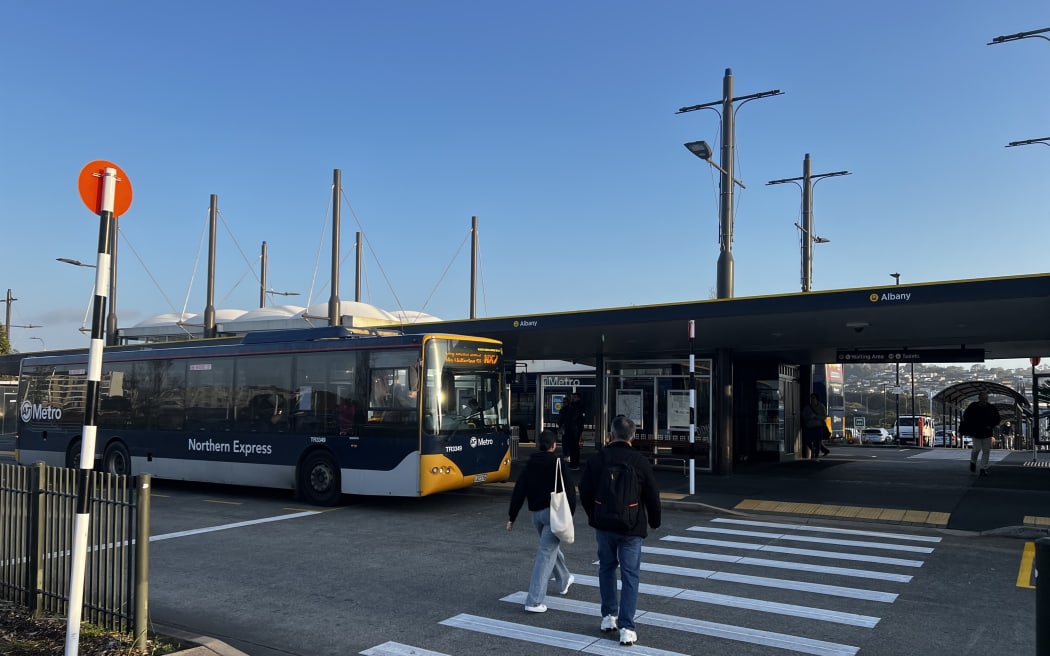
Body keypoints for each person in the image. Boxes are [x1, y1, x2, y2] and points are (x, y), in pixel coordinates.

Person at [578, 415, 661, 647]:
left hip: (603, 524)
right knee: (630, 575)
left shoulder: (598, 459)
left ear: (611, 435)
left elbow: (584, 491)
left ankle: (608, 617)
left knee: (606, 568)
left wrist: (593, 515)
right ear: (633, 436)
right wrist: (654, 521)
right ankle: (627, 628)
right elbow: (652, 495)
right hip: (632, 527)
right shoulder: (639, 460)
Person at [507, 429, 576, 614]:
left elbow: (519, 491)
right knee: (546, 553)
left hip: (536, 515)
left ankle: (564, 579)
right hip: (554, 514)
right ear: (554, 446)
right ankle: (534, 600)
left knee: (550, 549)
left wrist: (512, 517)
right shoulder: (558, 463)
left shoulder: (530, 464)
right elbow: (569, 490)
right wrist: (571, 514)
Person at [961, 390, 1001, 477]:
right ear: (979, 398)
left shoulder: (991, 408)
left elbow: (997, 419)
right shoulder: (973, 406)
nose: (984, 400)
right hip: (976, 432)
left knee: (986, 451)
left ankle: (983, 468)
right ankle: (973, 461)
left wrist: (991, 426)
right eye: (983, 398)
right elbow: (966, 417)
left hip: (987, 433)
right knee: (976, 449)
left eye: (985, 398)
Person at [558, 392, 585, 469]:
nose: (573, 398)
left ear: (579, 398)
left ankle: (575, 463)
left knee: (575, 447)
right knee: (571, 446)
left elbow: (580, 419)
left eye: (575, 397)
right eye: (573, 397)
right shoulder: (571, 406)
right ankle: (573, 462)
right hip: (570, 429)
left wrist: (579, 429)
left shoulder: (579, 406)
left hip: (575, 430)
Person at [801, 393, 831, 459]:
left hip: (819, 427)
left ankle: (816, 456)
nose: (812, 400)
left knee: (817, 442)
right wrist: (809, 417)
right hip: (810, 427)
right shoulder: (807, 407)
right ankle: (814, 451)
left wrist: (816, 417)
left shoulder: (821, 406)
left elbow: (824, 416)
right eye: (811, 398)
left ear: (817, 399)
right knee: (808, 441)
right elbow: (803, 416)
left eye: (814, 398)